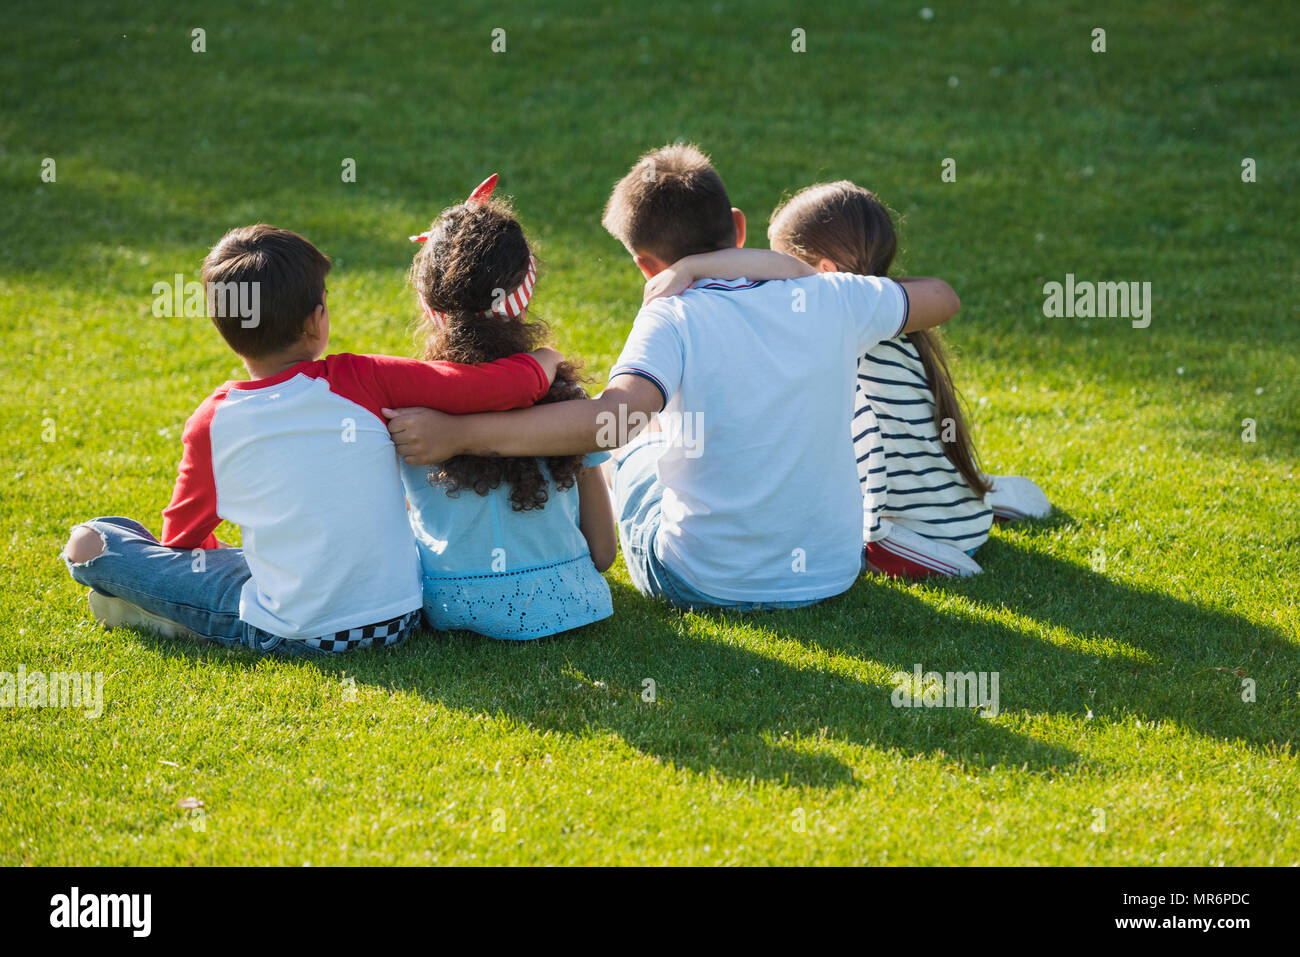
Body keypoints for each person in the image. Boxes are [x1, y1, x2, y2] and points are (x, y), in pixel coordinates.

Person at [384, 144, 961, 610]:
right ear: (737, 227)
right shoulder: (832, 297)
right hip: (832, 573)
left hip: (703, 580)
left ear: (644, 265)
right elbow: (942, 297)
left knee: (637, 452)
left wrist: (461, 434)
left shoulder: (672, 313)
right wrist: (712, 265)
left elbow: (608, 426)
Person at [62, 224, 558, 654]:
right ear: (316, 322)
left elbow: (183, 540)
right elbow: (497, 387)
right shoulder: (364, 378)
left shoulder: (212, 422)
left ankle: (163, 612)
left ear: (223, 329)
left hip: (291, 632)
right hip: (401, 619)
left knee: (95, 539)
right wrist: (545, 361)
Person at [768, 181, 1051, 577]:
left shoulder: (839, 325)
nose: (777, 287)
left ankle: (942, 539)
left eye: (784, 270)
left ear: (827, 274)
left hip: (928, 532)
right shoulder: (889, 318)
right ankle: (976, 497)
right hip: (953, 511)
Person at [400, 175, 615, 639]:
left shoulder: (408, 404)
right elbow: (602, 552)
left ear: (426, 297)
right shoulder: (564, 397)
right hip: (572, 604)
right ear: (526, 288)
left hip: (445, 603)